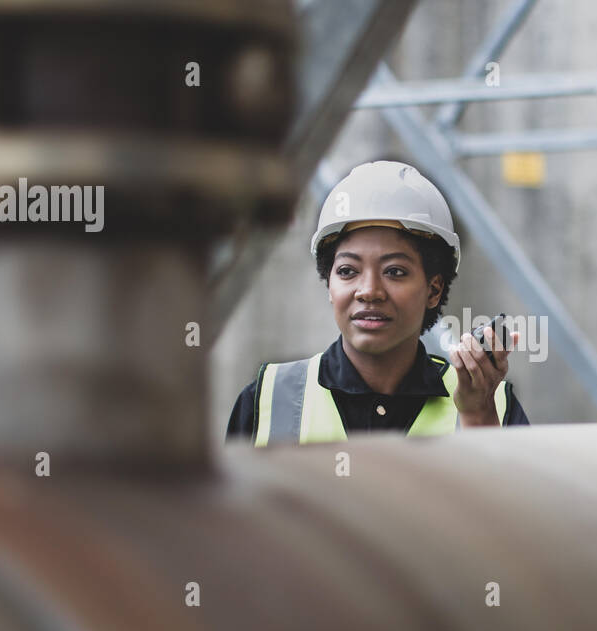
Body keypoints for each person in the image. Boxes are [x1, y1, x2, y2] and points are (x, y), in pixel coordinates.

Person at [226, 160, 530, 445]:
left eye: (394, 271)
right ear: (330, 285)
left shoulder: (495, 405)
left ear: (434, 290)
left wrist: (478, 416)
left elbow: (512, 502)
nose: (369, 291)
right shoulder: (265, 402)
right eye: (347, 271)